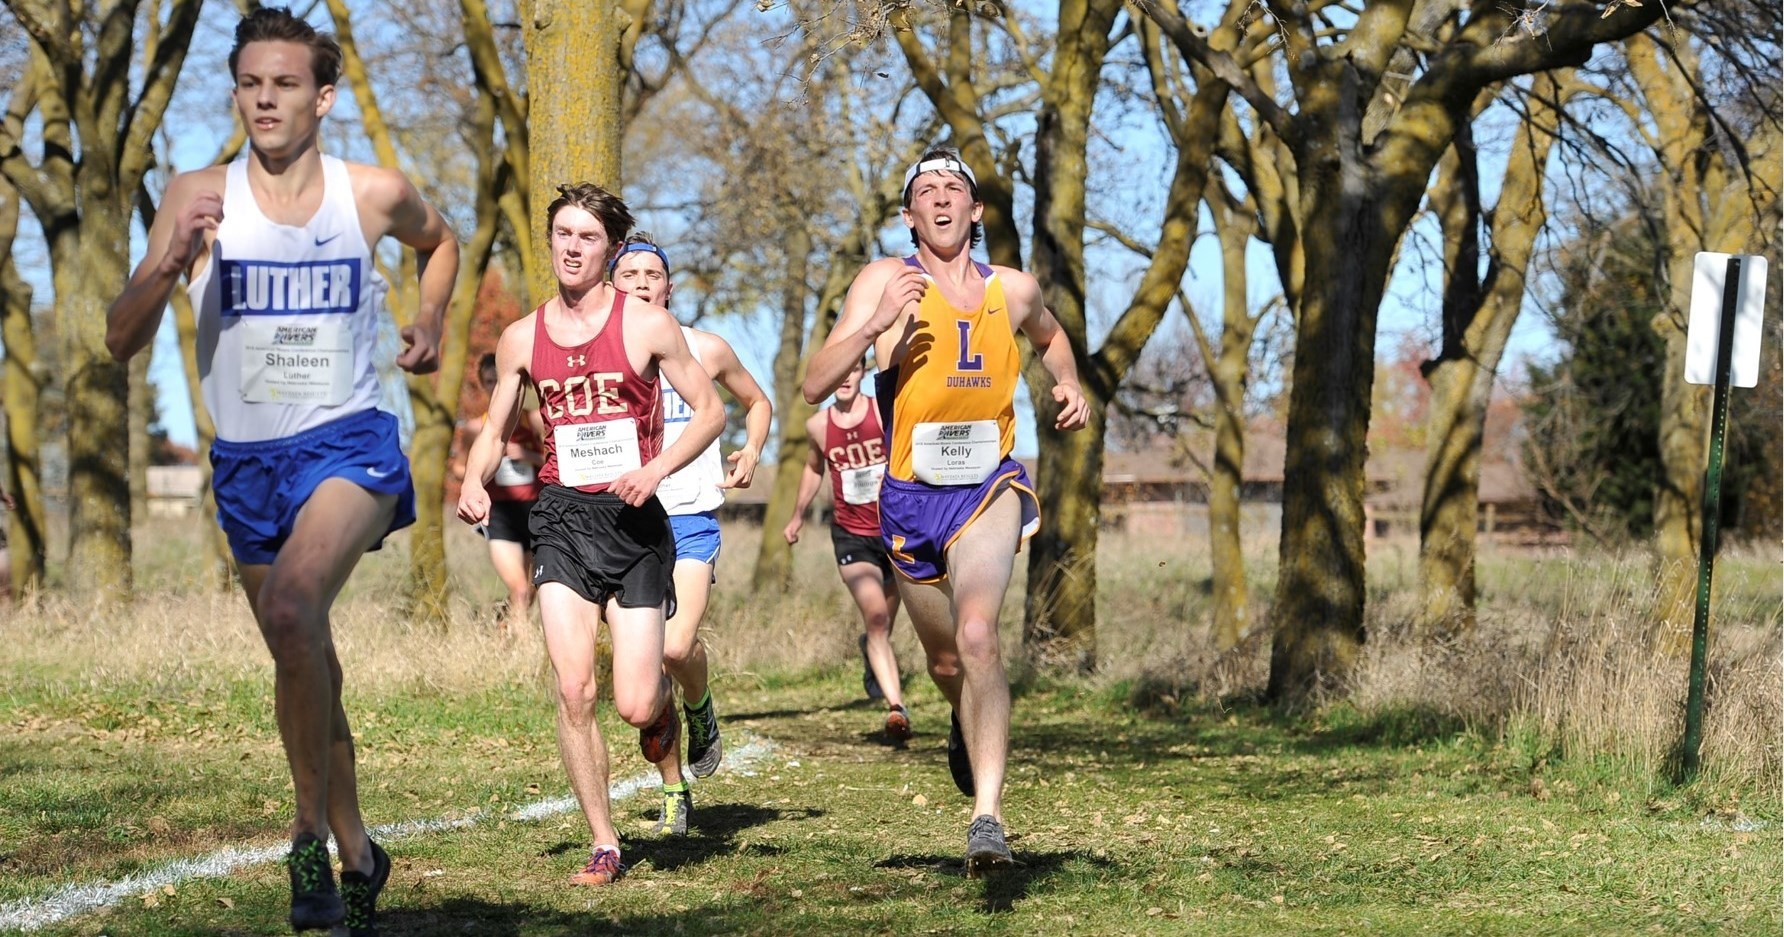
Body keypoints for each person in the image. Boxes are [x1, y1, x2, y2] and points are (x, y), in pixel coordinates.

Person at [105, 7, 459, 932]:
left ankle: (305, 834)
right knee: (306, 659)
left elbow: (443, 242)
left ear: (323, 96)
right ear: (237, 93)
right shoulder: (194, 191)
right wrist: (171, 260)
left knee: (295, 609)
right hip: (245, 462)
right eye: (251, 83)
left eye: (287, 82)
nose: (267, 98)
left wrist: (432, 320)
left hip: (349, 443)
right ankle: (358, 848)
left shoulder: (372, 193)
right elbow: (119, 338)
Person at [802, 146, 1089, 877]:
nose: (939, 198)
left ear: (974, 210)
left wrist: (1071, 384)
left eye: (952, 188)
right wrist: (873, 330)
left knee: (977, 631)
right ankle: (965, 722)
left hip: (987, 485)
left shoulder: (1012, 289)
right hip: (907, 497)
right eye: (925, 190)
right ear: (909, 216)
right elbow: (813, 384)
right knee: (943, 657)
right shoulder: (882, 280)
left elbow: (1052, 336)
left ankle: (987, 818)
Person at [457, 183, 724, 886]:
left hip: (634, 522)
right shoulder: (523, 336)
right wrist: (472, 478)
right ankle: (605, 841)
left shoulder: (646, 325)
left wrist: (657, 467)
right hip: (562, 521)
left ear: (609, 250)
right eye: (562, 235)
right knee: (574, 690)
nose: (572, 248)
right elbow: (493, 425)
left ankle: (677, 709)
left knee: (635, 700)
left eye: (587, 237)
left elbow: (710, 411)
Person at [607, 233, 773, 835]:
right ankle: (673, 787)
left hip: (691, 516)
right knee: (644, 673)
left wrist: (751, 450)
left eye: (653, 274)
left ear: (669, 287)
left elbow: (757, 402)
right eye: (630, 274)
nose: (643, 283)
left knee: (676, 647)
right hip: (624, 524)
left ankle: (700, 707)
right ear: (611, 285)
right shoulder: (603, 360)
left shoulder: (705, 348)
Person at [783, 358, 911, 741]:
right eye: (836, 372)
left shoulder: (881, 411)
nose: (844, 378)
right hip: (851, 534)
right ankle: (896, 708)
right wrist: (797, 516)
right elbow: (813, 469)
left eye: (852, 370)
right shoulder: (818, 426)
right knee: (875, 617)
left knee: (882, 622)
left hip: (896, 530)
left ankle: (873, 648)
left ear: (860, 373)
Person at [464, 352, 546, 634]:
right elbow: (462, 468)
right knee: (520, 589)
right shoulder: (476, 429)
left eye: (501, 380)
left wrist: (524, 454)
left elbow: (556, 463)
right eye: (489, 381)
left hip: (535, 509)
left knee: (535, 587)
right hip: (500, 513)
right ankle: (520, 655)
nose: (496, 387)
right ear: (483, 384)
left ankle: (503, 628)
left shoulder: (534, 421)